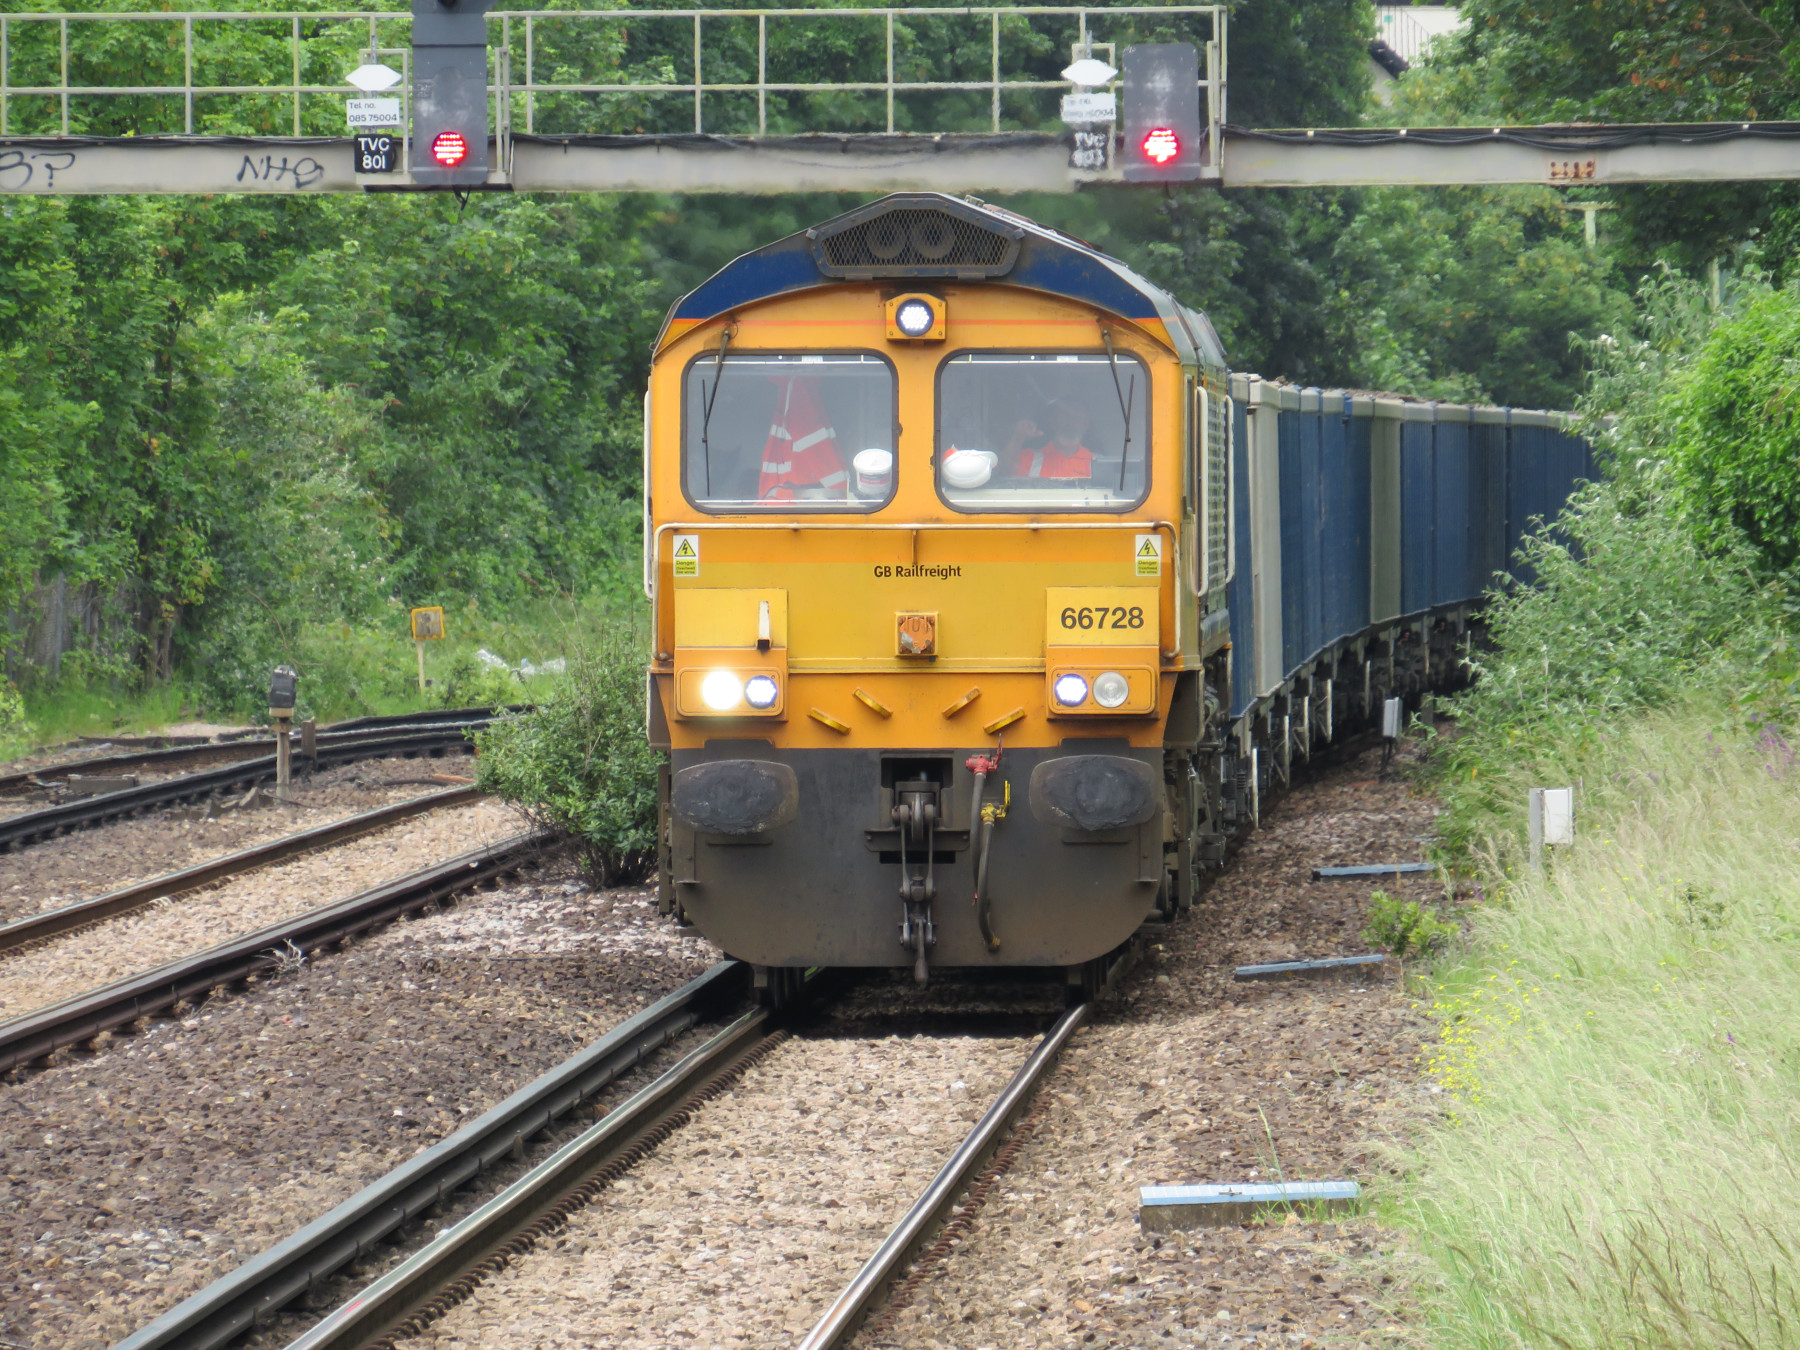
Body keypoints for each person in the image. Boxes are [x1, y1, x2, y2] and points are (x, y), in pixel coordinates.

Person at [1003, 398, 1093, 480]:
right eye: (1064, 415)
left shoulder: (1096, 464)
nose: (1071, 420)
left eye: (1077, 415)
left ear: (1086, 424)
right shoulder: (1030, 458)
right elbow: (1004, 470)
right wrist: (1019, 436)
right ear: (1053, 421)